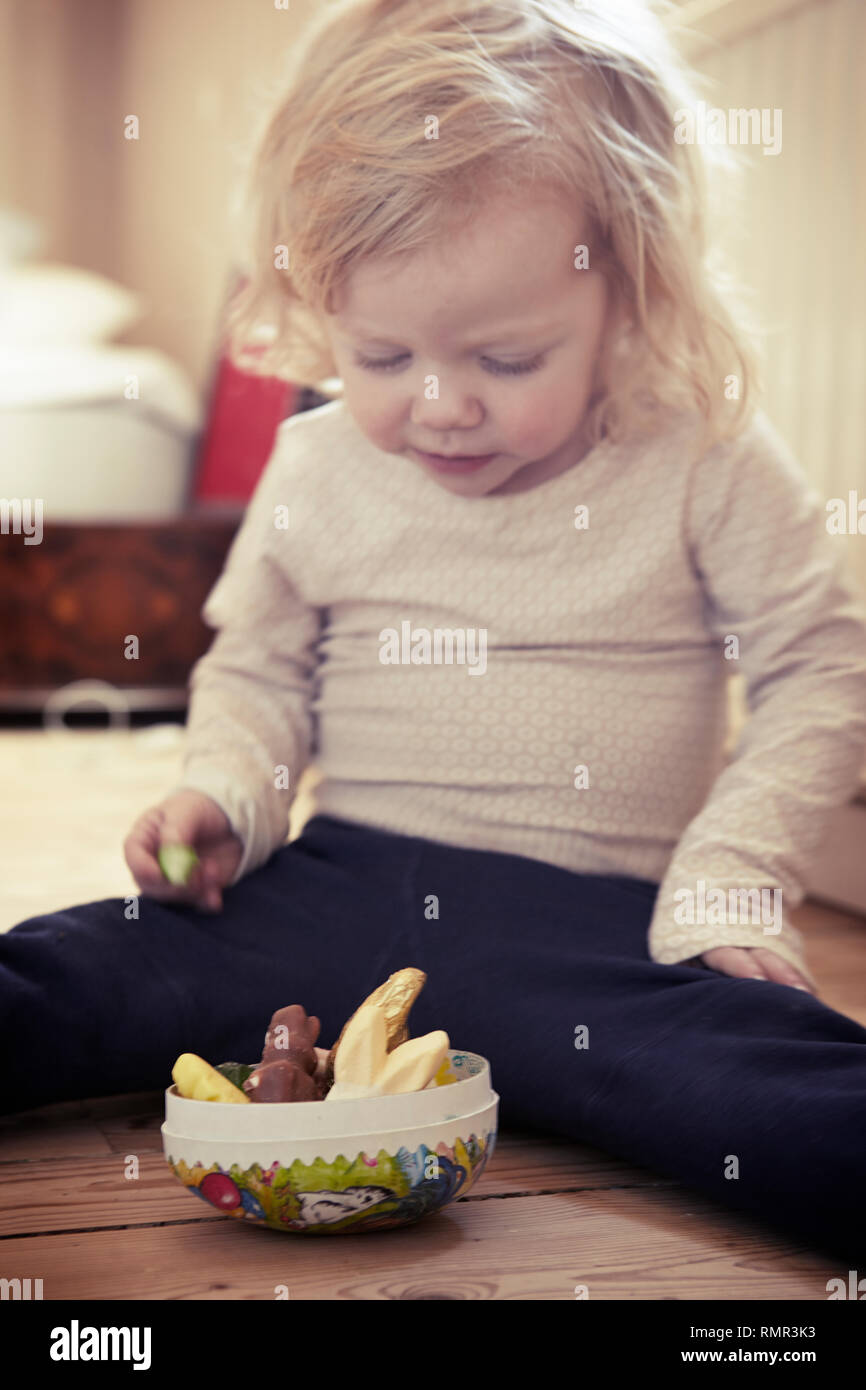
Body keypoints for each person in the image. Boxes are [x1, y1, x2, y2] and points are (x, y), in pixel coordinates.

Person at [3, 0, 866, 1264]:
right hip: (325, 890)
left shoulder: (701, 455)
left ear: (628, 291)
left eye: (507, 357)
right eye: (380, 352)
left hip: (597, 927)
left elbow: (816, 668)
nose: (439, 405)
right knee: (60, 981)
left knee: (777, 1103)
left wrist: (727, 876)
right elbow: (257, 669)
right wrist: (225, 794)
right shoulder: (312, 466)